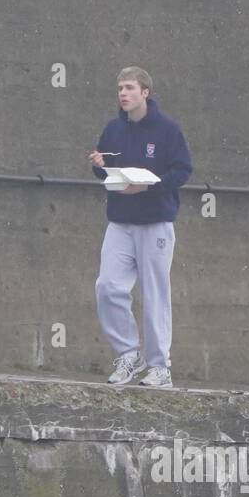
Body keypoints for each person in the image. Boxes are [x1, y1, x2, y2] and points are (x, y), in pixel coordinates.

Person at [89, 67, 193, 388]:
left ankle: (160, 366)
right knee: (108, 287)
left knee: (154, 293)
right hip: (120, 221)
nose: (123, 93)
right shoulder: (112, 130)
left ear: (144, 92)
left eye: (129, 88)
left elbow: (182, 171)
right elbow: (106, 174)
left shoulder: (167, 130)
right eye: (120, 88)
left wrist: (149, 187)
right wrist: (99, 166)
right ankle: (128, 355)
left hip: (155, 222)